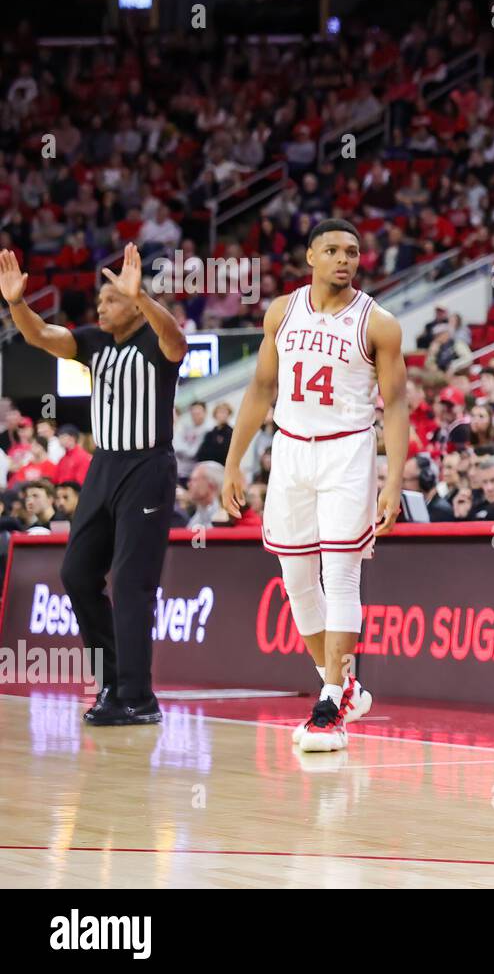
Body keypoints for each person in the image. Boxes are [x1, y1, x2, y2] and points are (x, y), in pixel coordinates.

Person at [221, 219, 409, 754]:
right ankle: (345, 686)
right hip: (289, 450)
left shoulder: (379, 323)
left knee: (341, 574)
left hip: (347, 450)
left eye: (352, 251)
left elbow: (396, 405)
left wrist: (393, 479)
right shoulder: (281, 311)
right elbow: (261, 388)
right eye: (332, 250)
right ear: (310, 256)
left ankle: (331, 702)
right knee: (297, 581)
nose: (344, 259)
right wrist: (234, 461)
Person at [0, 243, 186, 726]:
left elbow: (177, 340)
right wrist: (17, 304)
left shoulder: (156, 340)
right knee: (78, 574)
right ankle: (111, 683)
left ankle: (138, 698)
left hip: (147, 467)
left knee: (131, 582)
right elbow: (41, 335)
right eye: (100, 301)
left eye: (111, 300)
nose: (100, 308)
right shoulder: (93, 342)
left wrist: (141, 296)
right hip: (103, 466)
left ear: (135, 304)